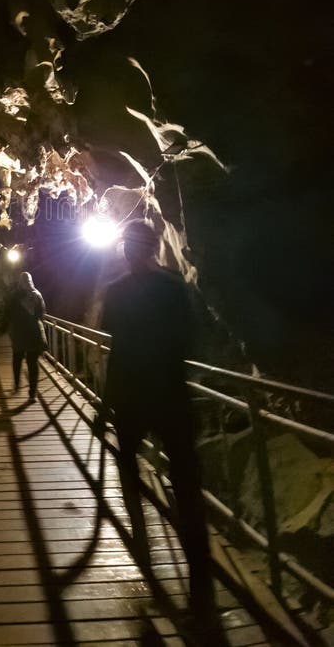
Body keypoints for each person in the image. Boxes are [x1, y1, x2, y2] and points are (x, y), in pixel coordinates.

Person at [100, 220, 215, 622]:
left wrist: (103, 405)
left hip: (132, 396)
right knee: (186, 486)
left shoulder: (117, 292)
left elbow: (115, 349)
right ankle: (202, 586)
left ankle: (141, 541)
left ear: (127, 251)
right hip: (171, 395)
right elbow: (190, 339)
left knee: (129, 467)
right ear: (152, 247)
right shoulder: (174, 288)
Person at [1, 271, 47, 400]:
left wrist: (3, 327)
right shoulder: (37, 295)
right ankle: (32, 393)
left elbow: (7, 313)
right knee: (32, 363)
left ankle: (16, 385)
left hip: (18, 332)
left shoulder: (14, 295)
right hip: (33, 333)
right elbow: (42, 313)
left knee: (17, 358)